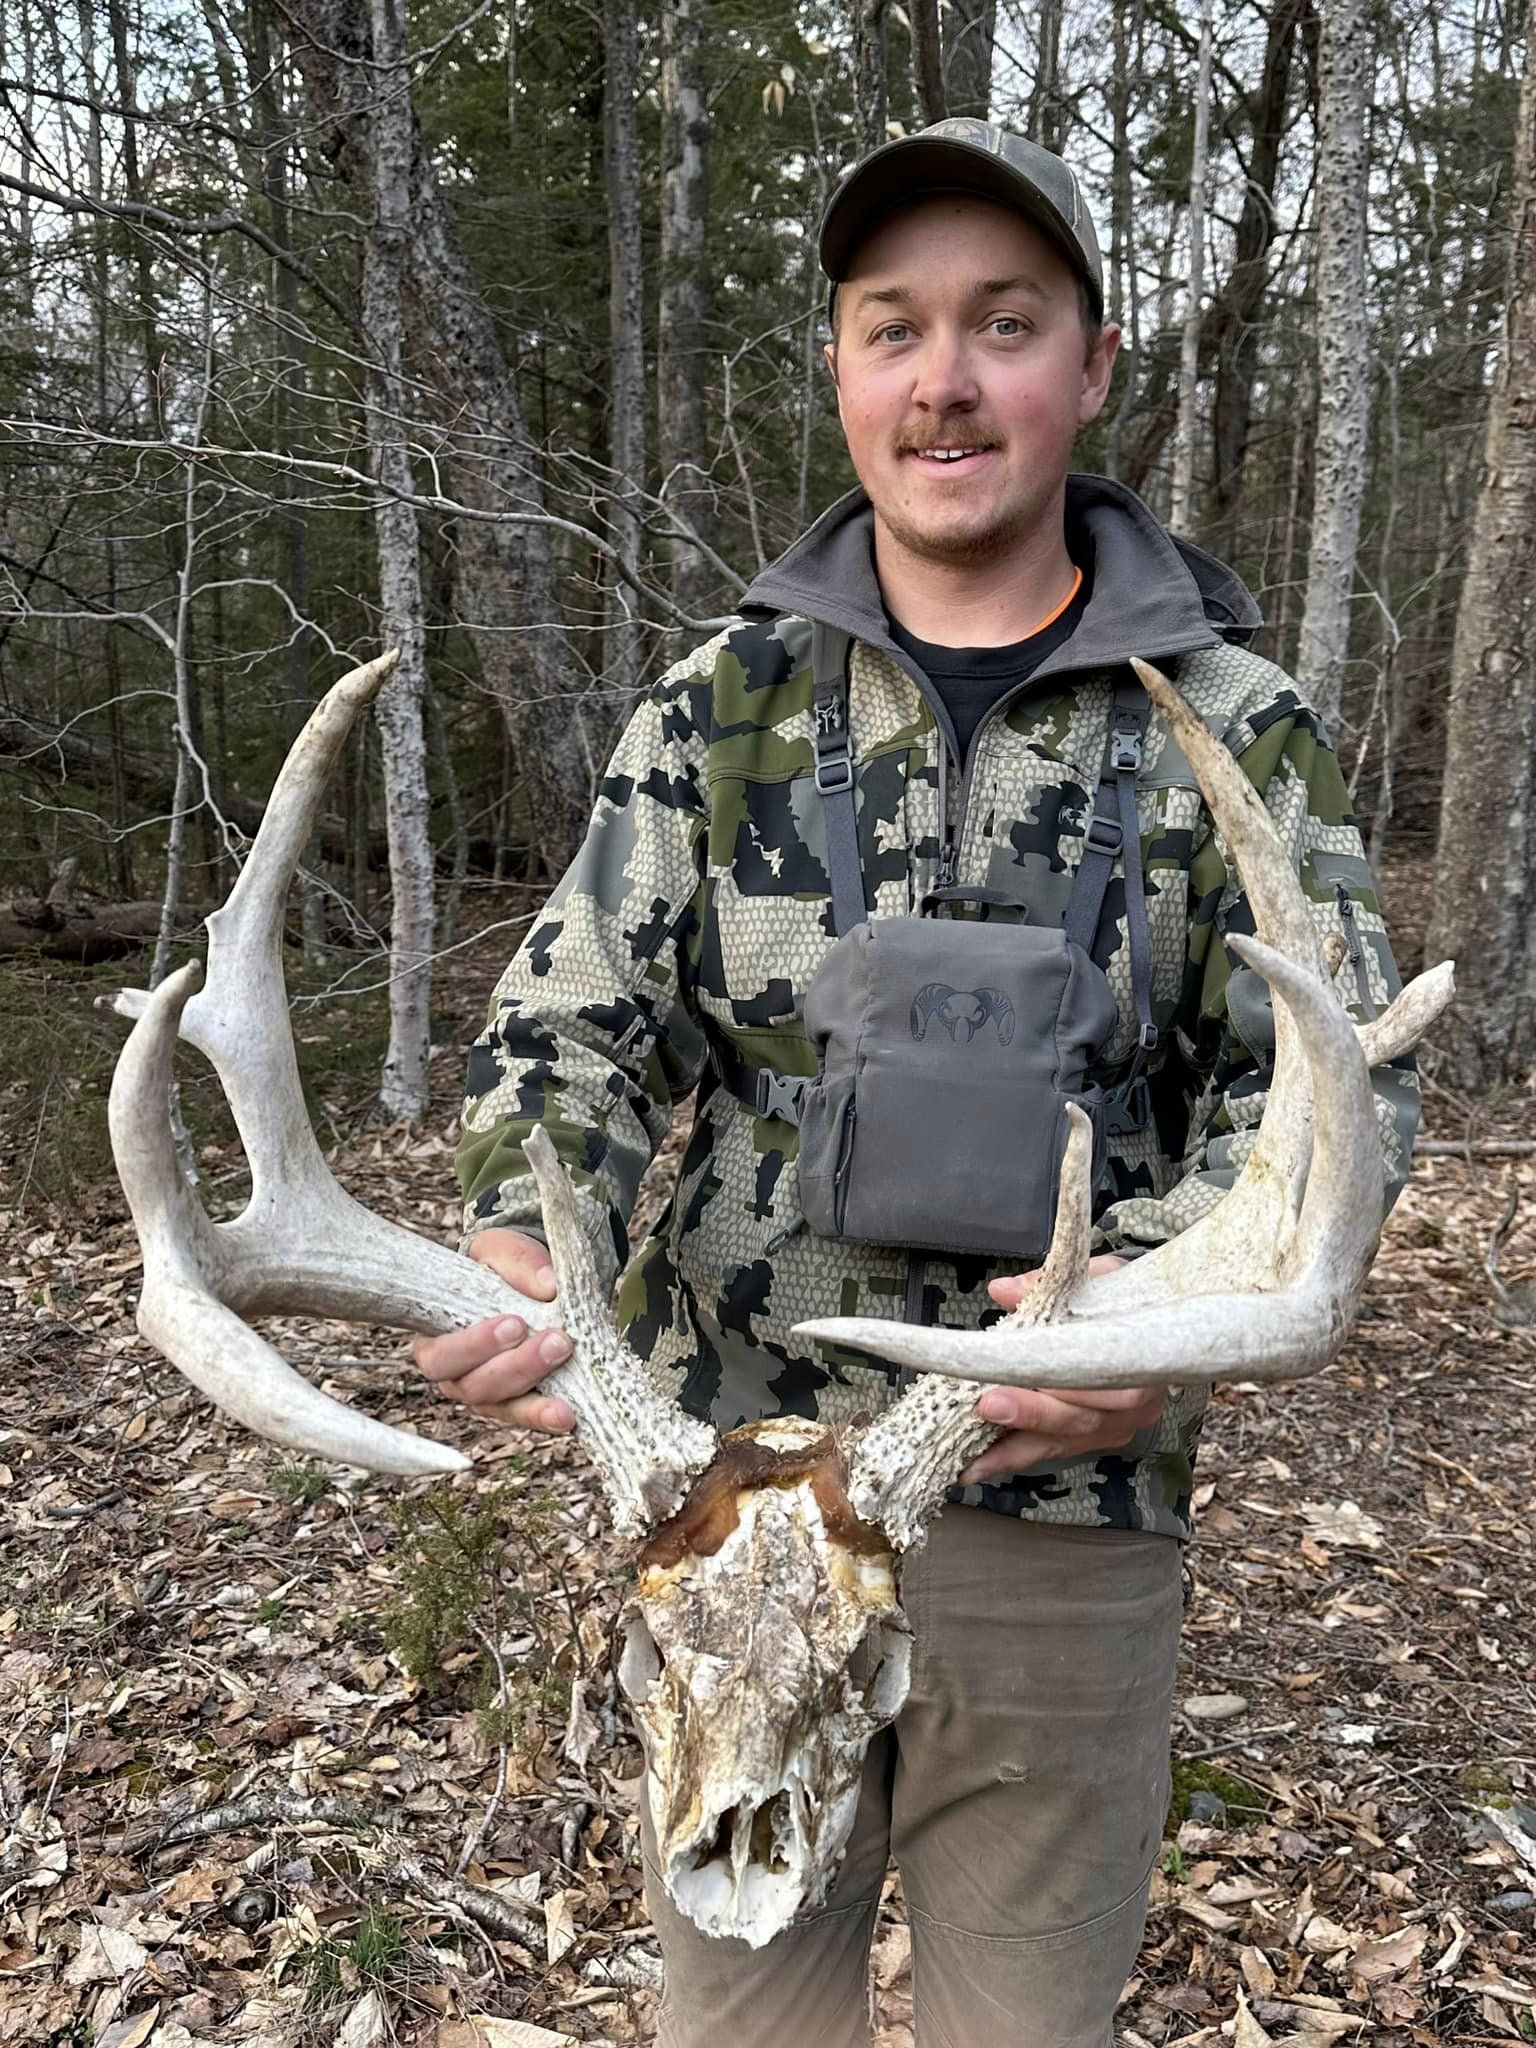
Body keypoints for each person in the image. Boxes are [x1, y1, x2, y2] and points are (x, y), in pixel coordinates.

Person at [413, 120, 1419, 2048]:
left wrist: (1147, 1311)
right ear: (841, 368)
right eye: (896, 327)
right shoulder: (724, 709)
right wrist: (520, 1230)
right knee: (740, 2023)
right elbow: (570, 1024)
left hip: (1059, 1529)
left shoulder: (1232, 727)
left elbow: (1327, 1096)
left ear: (1094, 363)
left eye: (1004, 323)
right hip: (744, 1514)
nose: (945, 380)